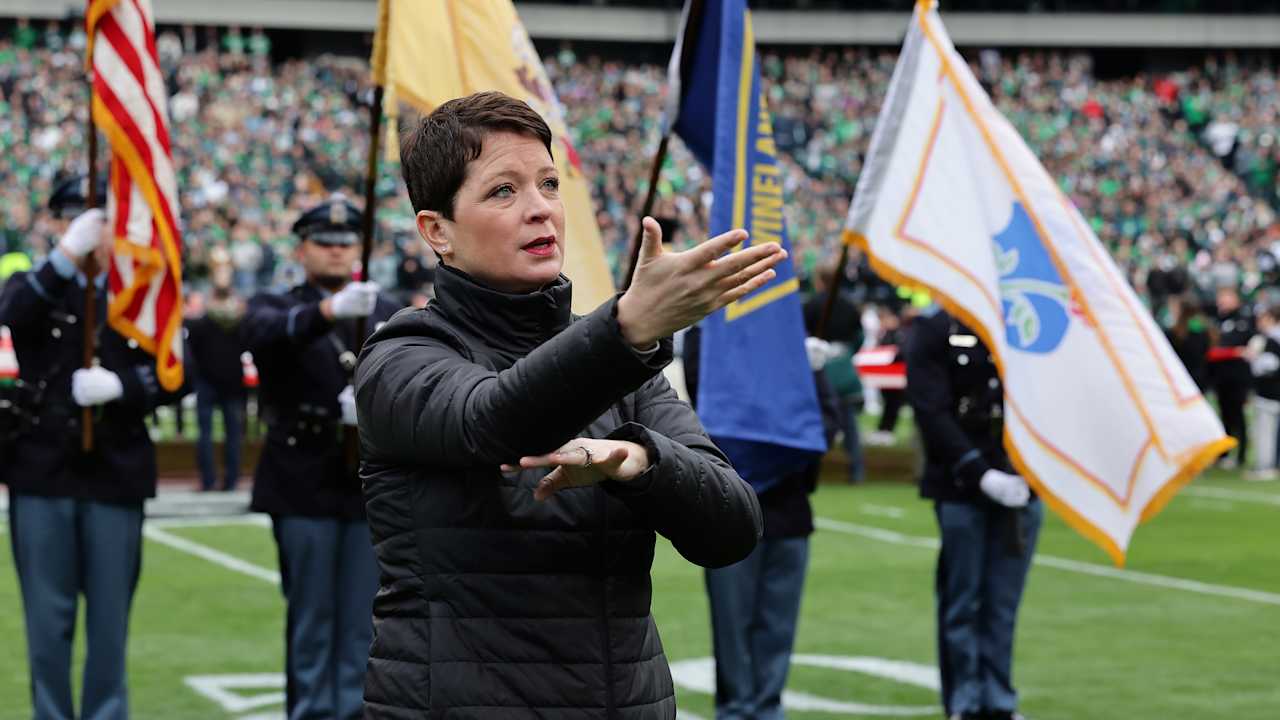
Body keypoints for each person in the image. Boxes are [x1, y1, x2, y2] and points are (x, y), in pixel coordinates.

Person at [354, 91, 783, 718]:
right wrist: (627, 329)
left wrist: (639, 460)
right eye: (503, 191)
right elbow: (492, 422)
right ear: (436, 231)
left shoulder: (619, 360)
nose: (541, 210)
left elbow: (734, 529)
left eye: (549, 184)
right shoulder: (401, 354)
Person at [0, 175, 183, 720]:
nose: (92, 227)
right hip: (42, 471)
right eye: (76, 216)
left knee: (109, 624)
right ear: (57, 223)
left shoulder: (140, 291)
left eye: (101, 217)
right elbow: (11, 312)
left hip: (115, 470)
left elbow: (180, 374)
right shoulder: (39, 281)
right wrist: (63, 257)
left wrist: (125, 388)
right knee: (47, 624)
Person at [241, 195, 401, 720]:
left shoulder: (386, 312)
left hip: (365, 485)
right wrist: (326, 312)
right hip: (301, 478)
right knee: (310, 618)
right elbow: (262, 337)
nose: (336, 253)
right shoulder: (279, 305)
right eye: (324, 243)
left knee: (362, 618)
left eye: (346, 243)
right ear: (302, 249)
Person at [685, 323, 840, 720]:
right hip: (729, 509)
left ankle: (769, 709)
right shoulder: (712, 335)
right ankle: (735, 711)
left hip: (789, 509)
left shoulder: (791, 332)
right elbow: (706, 407)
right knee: (733, 628)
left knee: (778, 627)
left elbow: (828, 422)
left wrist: (808, 376)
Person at [904, 307, 1041, 720]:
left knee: (1003, 601)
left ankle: (998, 700)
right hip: (962, 484)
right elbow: (931, 409)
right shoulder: (934, 328)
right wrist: (977, 471)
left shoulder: (1026, 322)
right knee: (962, 600)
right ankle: (963, 702)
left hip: (1020, 482)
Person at [186, 283, 248, 491]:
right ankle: (231, 480)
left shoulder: (202, 323)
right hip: (232, 382)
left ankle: (208, 479)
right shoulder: (239, 322)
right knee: (233, 435)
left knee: (205, 433)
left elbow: (192, 351)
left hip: (207, 382)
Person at [1208, 285, 1254, 470]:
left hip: (1237, 376)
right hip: (1220, 376)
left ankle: (1241, 454)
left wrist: (1227, 351)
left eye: (1226, 297)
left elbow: (1240, 345)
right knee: (1223, 415)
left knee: (1238, 415)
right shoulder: (1217, 319)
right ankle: (1224, 452)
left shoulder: (1243, 319)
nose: (1222, 301)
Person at [1244, 304, 1280, 481]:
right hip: (1270, 391)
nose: (1260, 322)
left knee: (1265, 430)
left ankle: (1265, 466)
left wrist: (1253, 357)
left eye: (1264, 318)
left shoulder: (1271, 340)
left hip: (1270, 392)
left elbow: (1269, 366)